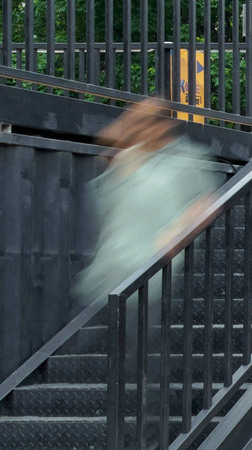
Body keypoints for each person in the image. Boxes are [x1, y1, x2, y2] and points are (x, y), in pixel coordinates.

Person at [75, 98, 222, 309]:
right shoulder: (129, 159)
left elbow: (207, 204)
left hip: (150, 282)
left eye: (142, 123)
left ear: (162, 127)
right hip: (105, 281)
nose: (136, 129)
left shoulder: (188, 159)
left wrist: (177, 233)